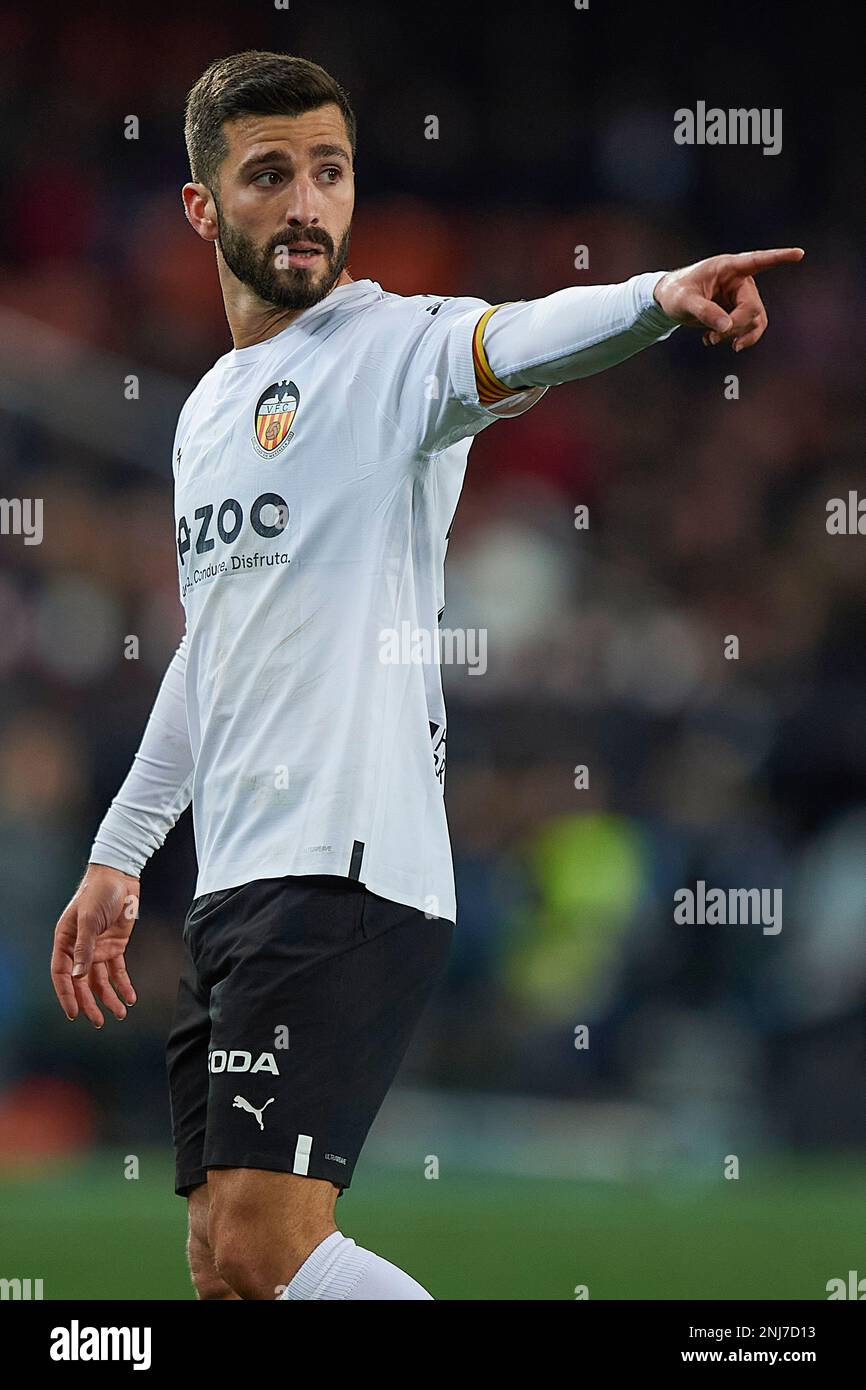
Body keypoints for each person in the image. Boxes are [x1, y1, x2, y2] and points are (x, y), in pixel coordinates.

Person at [50, 49, 804, 1300]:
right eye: (270, 174)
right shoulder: (204, 412)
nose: (306, 204)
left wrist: (656, 295)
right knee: (224, 1269)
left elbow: (515, 339)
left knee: (259, 1246)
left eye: (329, 172)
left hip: (343, 865)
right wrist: (121, 852)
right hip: (240, 877)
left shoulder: (390, 349)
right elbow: (210, 652)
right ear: (201, 208)